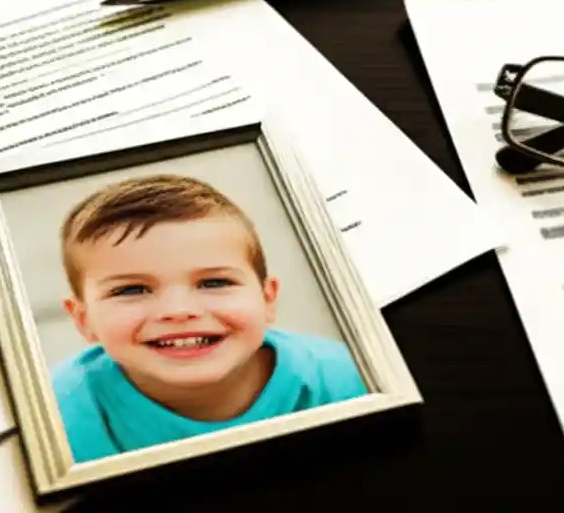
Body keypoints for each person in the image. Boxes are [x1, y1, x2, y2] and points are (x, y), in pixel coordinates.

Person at [50, 173, 367, 464]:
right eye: (132, 289)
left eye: (214, 282)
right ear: (83, 319)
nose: (177, 310)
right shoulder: (55, 419)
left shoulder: (351, 378)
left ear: (267, 298)